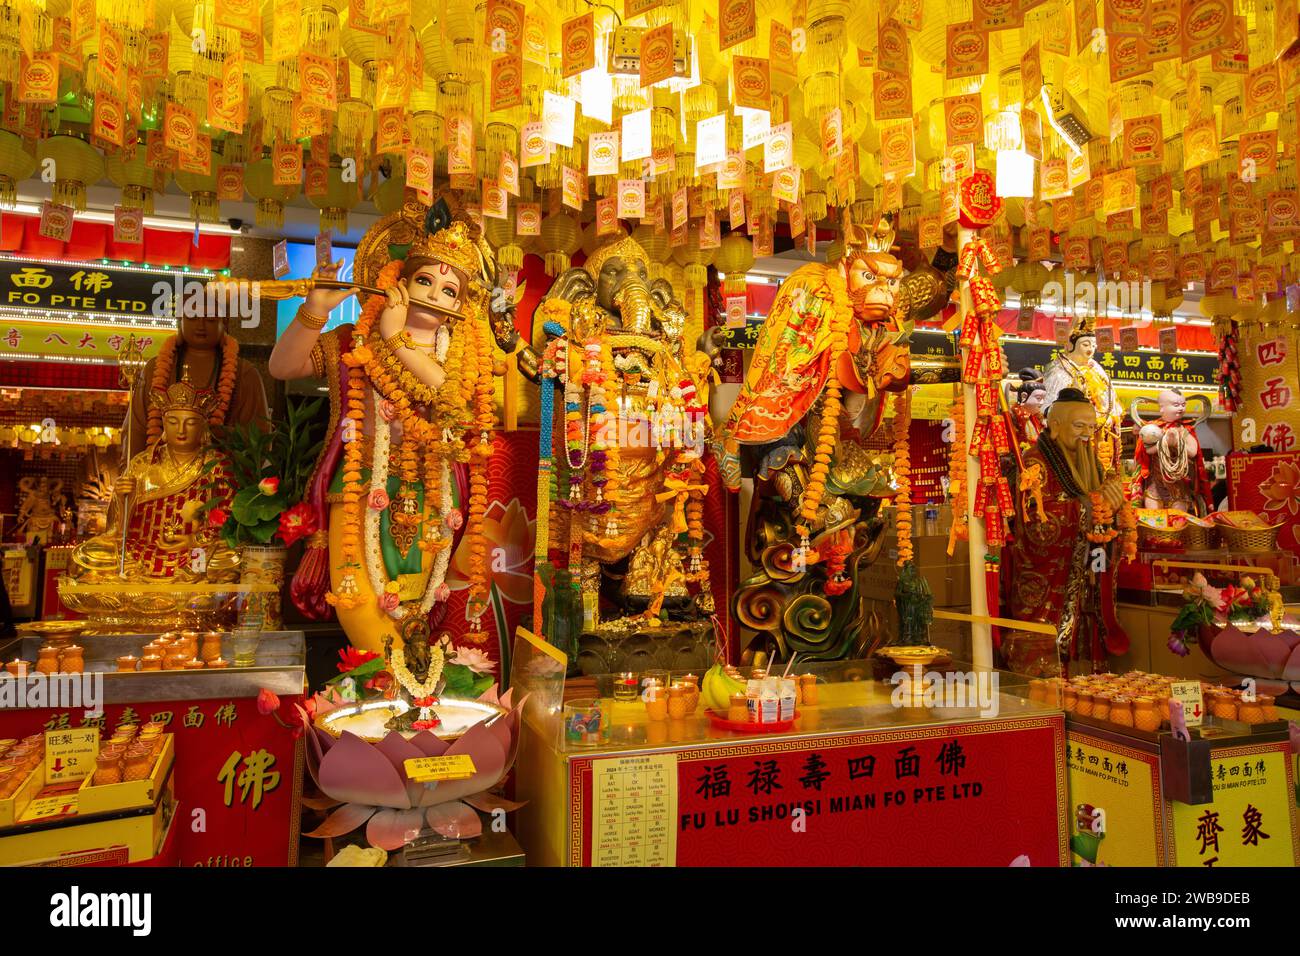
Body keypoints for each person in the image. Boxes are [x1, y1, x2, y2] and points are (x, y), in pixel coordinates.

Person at [1005, 388, 1129, 675]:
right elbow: (1036, 524)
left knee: (1085, 650)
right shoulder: (1036, 462)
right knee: (1045, 665)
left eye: (1090, 426)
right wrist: (1091, 506)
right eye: (1079, 426)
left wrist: (1114, 506)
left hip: (1086, 568)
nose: (1087, 433)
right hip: (1050, 578)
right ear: (1056, 426)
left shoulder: (1090, 461)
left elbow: (1104, 507)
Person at [72, 381, 239, 581]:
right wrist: (124, 497)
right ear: (163, 424)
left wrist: (194, 540)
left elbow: (229, 519)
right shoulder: (143, 463)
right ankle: (137, 578)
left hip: (194, 551)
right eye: (173, 422)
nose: (181, 430)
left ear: (203, 426)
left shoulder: (216, 466)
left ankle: (185, 585)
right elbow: (118, 530)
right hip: (142, 549)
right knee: (89, 553)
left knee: (230, 558)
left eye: (190, 423)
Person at [125, 311, 268, 458]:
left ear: (224, 322)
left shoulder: (245, 373)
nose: (201, 325)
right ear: (180, 319)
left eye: (210, 319)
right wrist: (130, 471)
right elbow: (135, 429)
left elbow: (260, 437)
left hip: (221, 474)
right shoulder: (154, 368)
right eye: (193, 317)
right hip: (161, 473)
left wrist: (221, 433)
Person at [1042, 317, 1120, 470]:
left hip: (1101, 434)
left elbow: (1111, 403)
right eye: (1085, 344)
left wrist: (1108, 418)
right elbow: (1048, 410)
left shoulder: (1097, 370)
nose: (1090, 348)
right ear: (1071, 345)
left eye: (1093, 345)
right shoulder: (1060, 372)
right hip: (1075, 437)